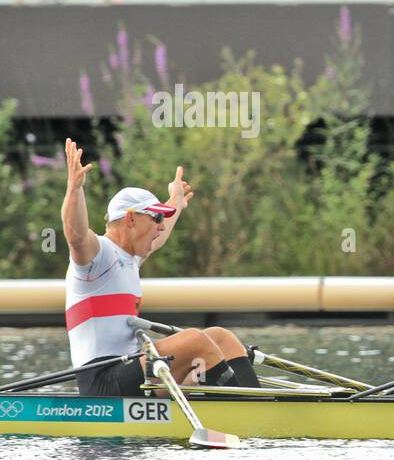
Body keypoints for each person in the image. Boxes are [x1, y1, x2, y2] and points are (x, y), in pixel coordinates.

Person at [62, 138, 260, 396]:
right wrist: (74, 189)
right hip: (103, 382)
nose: (161, 225)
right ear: (130, 218)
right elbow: (75, 235)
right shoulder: (96, 258)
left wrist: (176, 200)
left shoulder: (130, 258)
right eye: (156, 217)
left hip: (134, 373)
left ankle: (258, 402)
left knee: (220, 337)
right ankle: (247, 414)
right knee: (195, 340)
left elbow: (161, 233)